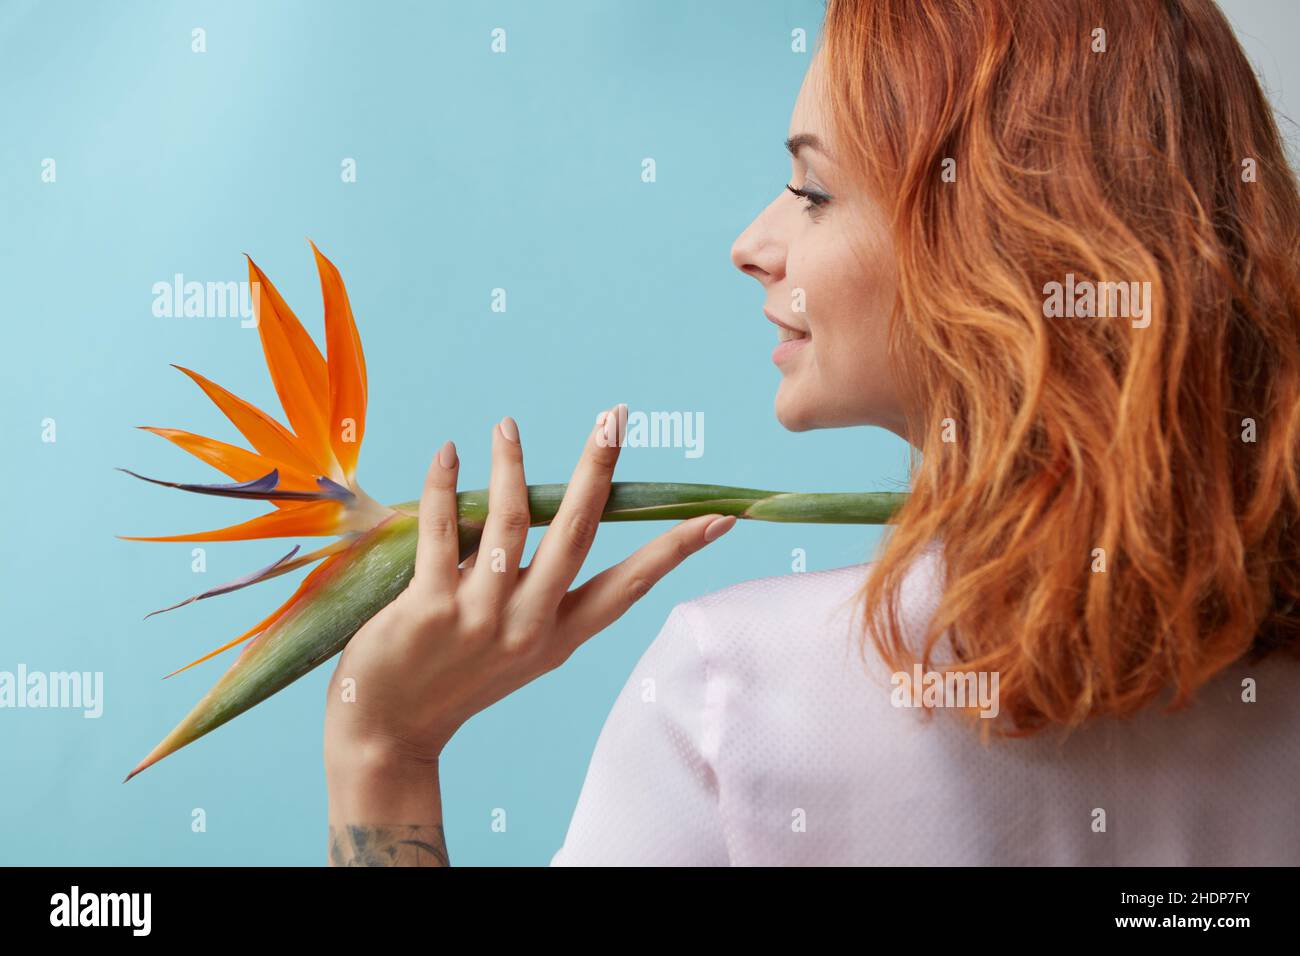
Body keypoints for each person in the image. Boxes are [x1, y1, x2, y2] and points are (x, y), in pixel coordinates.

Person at [323, 0, 1300, 866]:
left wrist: (386, 757)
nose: (753, 246)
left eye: (815, 192)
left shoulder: (736, 691)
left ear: (1000, 240)